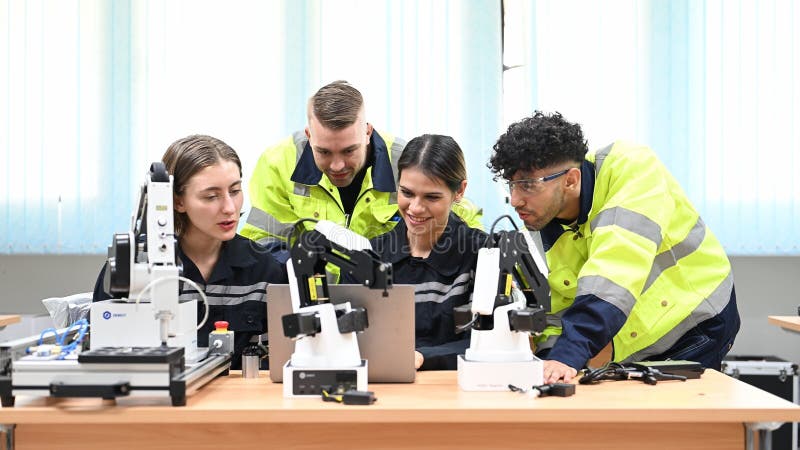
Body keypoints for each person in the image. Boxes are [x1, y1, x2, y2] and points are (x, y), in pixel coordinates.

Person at [488, 111, 740, 383]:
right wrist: (551, 357)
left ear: (571, 180)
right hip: (639, 339)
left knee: (672, 411)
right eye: (511, 185)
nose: (515, 200)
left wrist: (568, 353)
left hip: (695, 322)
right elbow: (559, 304)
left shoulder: (632, 169)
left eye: (527, 185)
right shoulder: (540, 223)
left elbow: (616, 268)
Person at [93, 135, 288, 370]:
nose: (229, 208)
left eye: (235, 191)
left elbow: (272, 366)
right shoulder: (132, 266)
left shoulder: (263, 268)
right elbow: (103, 355)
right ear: (177, 201)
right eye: (211, 196)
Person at [240, 80, 483, 262]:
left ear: (367, 132)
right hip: (307, 299)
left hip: (387, 297)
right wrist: (305, 275)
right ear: (309, 135)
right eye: (324, 152)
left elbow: (461, 221)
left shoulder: (405, 161)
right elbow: (262, 241)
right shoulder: (277, 164)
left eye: (349, 151)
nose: (337, 165)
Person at [362, 134, 488, 370]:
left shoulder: (483, 254)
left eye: (431, 197)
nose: (416, 208)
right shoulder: (369, 255)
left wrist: (422, 356)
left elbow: (489, 341)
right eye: (407, 193)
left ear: (459, 191)